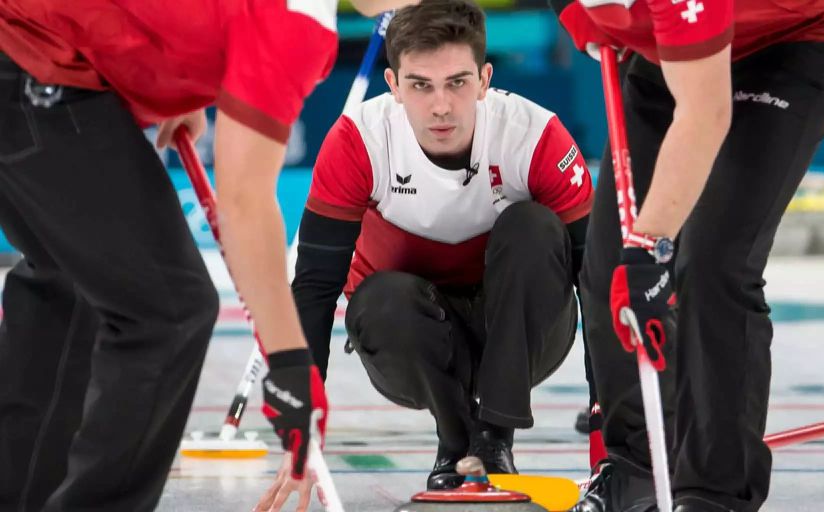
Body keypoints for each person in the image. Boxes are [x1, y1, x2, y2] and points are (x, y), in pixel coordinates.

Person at [0, 1, 414, 511]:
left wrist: (172, 76)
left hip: (31, 55)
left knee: (74, 283)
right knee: (169, 310)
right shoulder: (296, 22)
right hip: (32, 62)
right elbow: (242, 201)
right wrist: (288, 362)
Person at [548, 0, 824, 510]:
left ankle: (716, 491)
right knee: (608, 267)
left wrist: (652, 246)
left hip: (789, 40)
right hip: (666, 48)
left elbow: (705, 111)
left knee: (713, 262)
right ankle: (636, 464)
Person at [284, 0, 593, 493]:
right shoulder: (358, 141)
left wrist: (610, 436)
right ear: (393, 86)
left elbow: (595, 287)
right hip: (410, 344)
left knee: (533, 227)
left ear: (485, 80)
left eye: (457, 83)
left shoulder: (536, 136)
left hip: (528, 337)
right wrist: (302, 421)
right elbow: (315, 289)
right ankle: (456, 442)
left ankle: (494, 438)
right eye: (420, 85)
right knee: (379, 296)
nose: (442, 106)